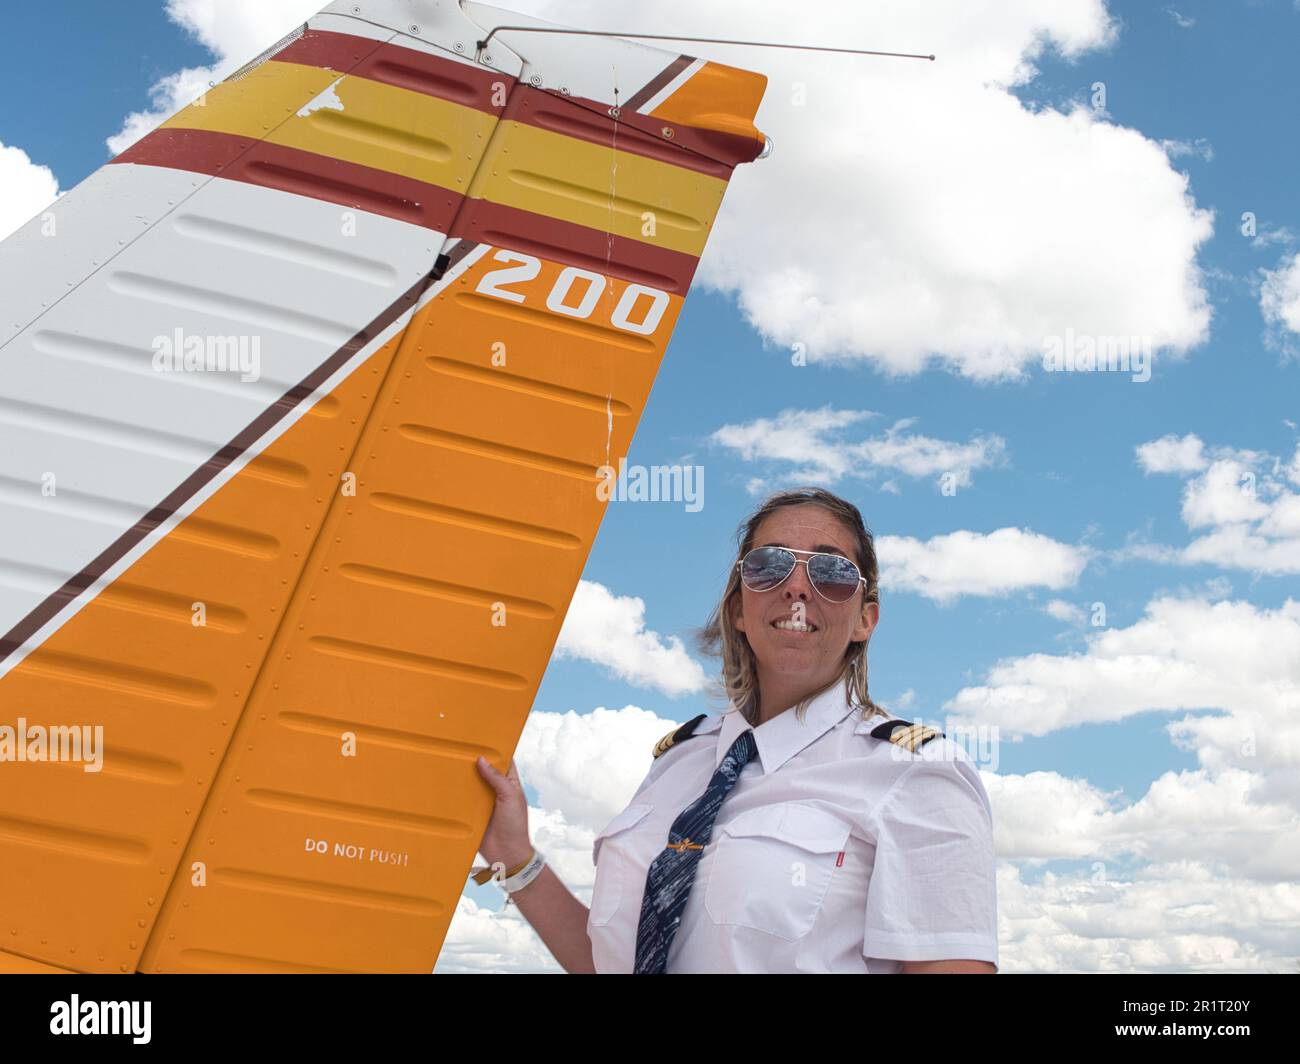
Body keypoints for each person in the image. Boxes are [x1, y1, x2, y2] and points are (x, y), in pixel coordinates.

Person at [473, 486, 998, 973]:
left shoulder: (918, 774)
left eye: (831, 571)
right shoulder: (678, 761)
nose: (797, 586)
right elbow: (613, 962)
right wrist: (513, 856)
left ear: (866, 619)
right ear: (739, 608)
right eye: (768, 566)